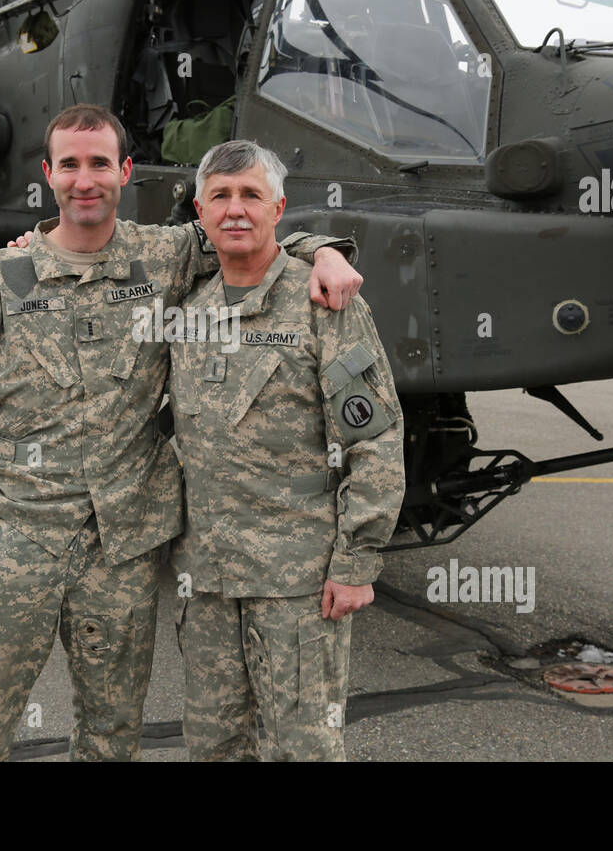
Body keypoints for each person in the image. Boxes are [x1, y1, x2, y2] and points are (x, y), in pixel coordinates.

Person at [0, 104, 363, 761]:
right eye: (70, 165)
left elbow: (246, 230)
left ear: (125, 171)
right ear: (48, 174)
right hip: (19, 537)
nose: (85, 180)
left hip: (123, 547)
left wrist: (323, 252)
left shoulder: (162, 256)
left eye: (100, 163)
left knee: (112, 735)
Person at [169, 139, 405, 761]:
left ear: (278, 208)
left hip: (296, 581)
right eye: (221, 196)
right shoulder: (187, 311)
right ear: (200, 211)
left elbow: (374, 440)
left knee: (303, 748)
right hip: (207, 579)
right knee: (214, 745)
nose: (235, 209)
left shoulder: (324, 302)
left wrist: (356, 562)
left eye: (251, 195)